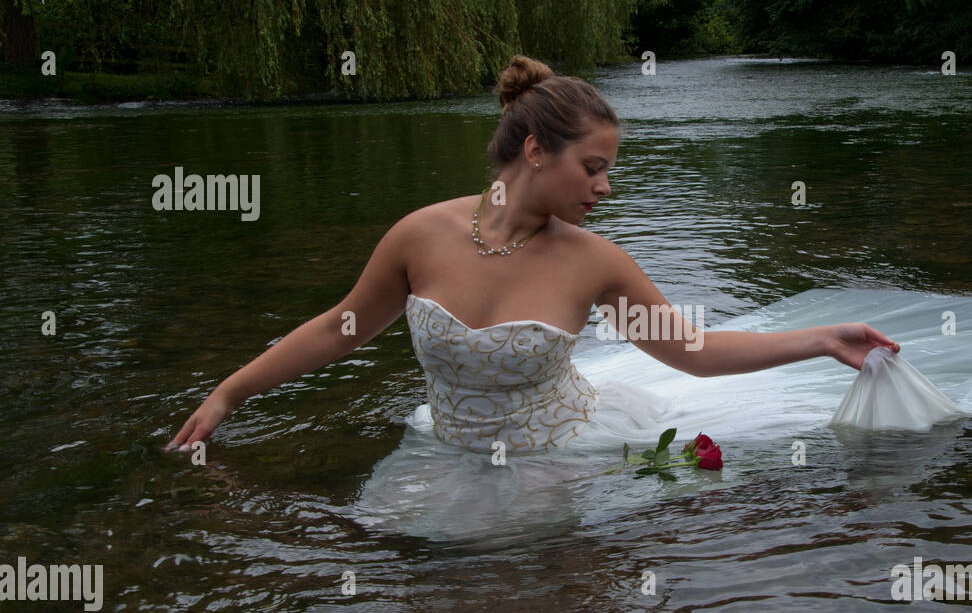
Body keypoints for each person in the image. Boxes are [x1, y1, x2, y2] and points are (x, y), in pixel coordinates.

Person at [167, 54, 901, 457]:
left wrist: (820, 340)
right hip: (454, 452)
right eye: (593, 168)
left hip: (565, 452)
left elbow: (694, 352)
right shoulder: (420, 235)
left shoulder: (594, 263)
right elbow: (339, 329)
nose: (605, 187)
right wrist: (230, 392)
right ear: (534, 150)